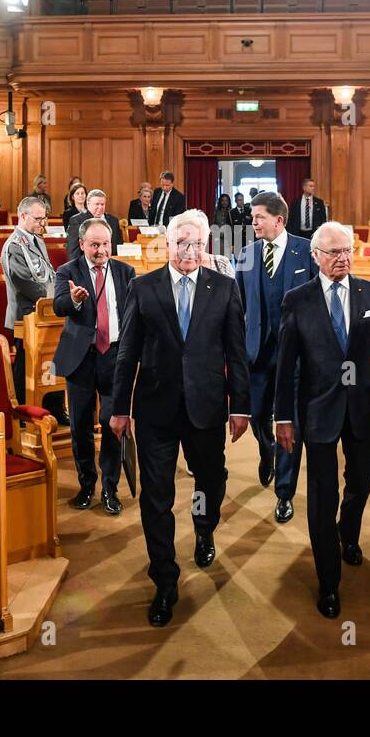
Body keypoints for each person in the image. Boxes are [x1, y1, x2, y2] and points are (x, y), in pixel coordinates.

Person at [109, 209, 251, 627]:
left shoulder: (224, 288)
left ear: (206, 245)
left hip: (207, 408)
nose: (189, 251)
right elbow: (127, 352)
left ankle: (204, 527)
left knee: (211, 481)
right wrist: (120, 408)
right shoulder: (143, 287)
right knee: (156, 497)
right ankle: (165, 581)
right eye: (181, 243)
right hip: (156, 409)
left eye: (197, 244)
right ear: (166, 244)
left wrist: (240, 406)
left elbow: (236, 353)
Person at [274, 220, 370, 619]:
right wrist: (283, 416)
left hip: (364, 406)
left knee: (361, 483)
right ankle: (328, 582)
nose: (343, 258)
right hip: (317, 409)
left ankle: (348, 533)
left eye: (348, 250)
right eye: (334, 252)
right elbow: (286, 366)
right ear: (316, 256)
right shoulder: (297, 300)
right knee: (321, 496)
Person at [234, 190, 317, 520]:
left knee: (289, 424)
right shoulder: (247, 254)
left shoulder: (305, 252)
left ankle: (285, 493)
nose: (252, 222)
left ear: (279, 220)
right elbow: (236, 305)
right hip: (257, 353)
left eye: (259, 217)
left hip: (295, 357)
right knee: (257, 417)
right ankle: (265, 450)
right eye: (252, 217)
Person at [53, 218, 135, 515]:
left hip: (115, 358)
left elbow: (134, 315)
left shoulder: (126, 272)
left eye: (105, 244)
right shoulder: (68, 271)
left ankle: (110, 488)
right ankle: (87, 484)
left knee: (114, 425)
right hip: (81, 358)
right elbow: (58, 305)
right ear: (82, 244)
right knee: (81, 426)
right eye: (94, 245)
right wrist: (73, 301)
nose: (101, 251)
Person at [2, 197, 56, 406]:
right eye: (38, 218)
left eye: (44, 218)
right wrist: (54, 298)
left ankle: (53, 406)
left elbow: (47, 274)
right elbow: (23, 282)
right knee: (27, 364)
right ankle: (24, 410)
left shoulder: (37, 240)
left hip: (45, 312)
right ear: (23, 216)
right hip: (26, 315)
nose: (42, 223)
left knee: (51, 360)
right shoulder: (14, 245)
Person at [65, 189, 121, 261]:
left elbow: (118, 246)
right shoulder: (77, 220)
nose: (100, 207)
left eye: (102, 204)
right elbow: (73, 250)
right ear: (88, 204)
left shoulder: (113, 221)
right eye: (97, 204)